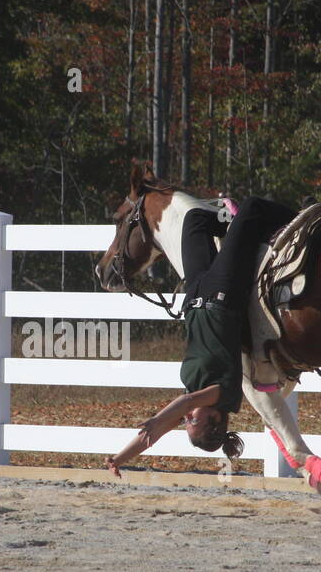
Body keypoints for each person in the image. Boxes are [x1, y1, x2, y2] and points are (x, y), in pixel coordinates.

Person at [105, 196, 298, 478]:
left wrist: (119, 458)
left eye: (185, 423)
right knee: (253, 208)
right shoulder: (224, 395)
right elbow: (178, 410)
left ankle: (231, 229)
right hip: (223, 295)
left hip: (195, 294)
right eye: (193, 420)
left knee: (194, 219)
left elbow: (152, 435)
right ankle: (299, 218)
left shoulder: (193, 398)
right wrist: (158, 418)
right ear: (216, 418)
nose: (186, 417)